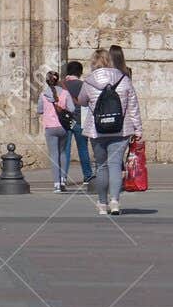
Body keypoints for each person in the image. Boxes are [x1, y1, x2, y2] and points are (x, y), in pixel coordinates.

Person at [78, 45, 141, 216]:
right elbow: (133, 106)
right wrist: (138, 130)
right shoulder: (124, 79)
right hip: (120, 129)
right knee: (114, 165)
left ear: (93, 63)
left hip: (97, 130)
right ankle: (115, 201)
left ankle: (101, 203)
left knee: (101, 166)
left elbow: (82, 101)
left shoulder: (89, 81)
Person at [39, 69, 77, 193]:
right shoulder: (65, 93)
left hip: (50, 127)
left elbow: (39, 110)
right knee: (63, 153)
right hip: (63, 127)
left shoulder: (43, 94)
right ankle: (63, 180)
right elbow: (72, 109)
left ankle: (56, 184)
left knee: (54, 154)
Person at [61, 60, 94, 190]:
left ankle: (63, 177)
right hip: (81, 120)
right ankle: (87, 176)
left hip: (66, 120)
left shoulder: (62, 85)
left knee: (65, 150)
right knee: (83, 149)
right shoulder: (83, 85)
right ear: (79, 72)